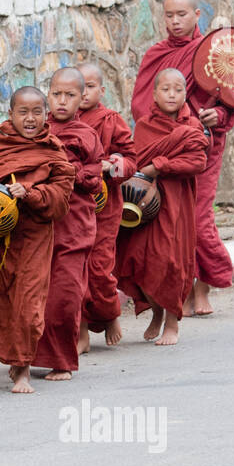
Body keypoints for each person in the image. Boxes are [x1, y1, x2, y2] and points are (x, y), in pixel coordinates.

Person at [131, 0, 233, 317]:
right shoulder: (156, 55)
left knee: (199, 219)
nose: (175, 22)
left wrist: (217, 116)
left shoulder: (213, 52)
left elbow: (233, 97)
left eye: (182, 15)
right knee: (172, 221)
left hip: (202, 144)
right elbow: (140, 102)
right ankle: (182, 290)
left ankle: (204, 286)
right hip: (162, 144)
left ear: (197, 15)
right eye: (169, 16)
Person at [0, 87, 74, 394]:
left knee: (28, 302)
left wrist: (32, 194)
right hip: (0, 238)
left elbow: (61, 200)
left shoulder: (53, 152)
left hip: (35, 237)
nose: (29, 119)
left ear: (46, 115)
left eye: (36, 112)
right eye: (22, 112)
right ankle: (15, 357)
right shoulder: (0, 146)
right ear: (10, 115)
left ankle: (23, 368)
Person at [115, 69, 209, 346]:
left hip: (177, 202)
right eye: (165, 89)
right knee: (138, 258)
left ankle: (171, 322)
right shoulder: (144, 125)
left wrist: (160, 166)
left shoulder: (191, 127)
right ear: (154, 94)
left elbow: (198, 162)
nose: (171, 95)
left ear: (184, 94)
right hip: (145, 203)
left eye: (178, 90)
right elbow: (136, 160)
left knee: (172, 261)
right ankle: (155, 310)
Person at [34, 68, 104, 381]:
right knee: (31, 294)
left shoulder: (87, 135)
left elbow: (93, 179)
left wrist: (63, 170)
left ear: (81, 99)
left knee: (64, 294)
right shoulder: (34, 130)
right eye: (56, 94)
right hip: (37, 224)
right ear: (47, 95)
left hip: (74, 225)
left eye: (70, 95)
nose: (62, 101)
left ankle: (62, 360)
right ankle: (25, 356)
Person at [76, 63, 137, 351]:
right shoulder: (58, 121)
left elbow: (130, 160)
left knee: (99, 268)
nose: (83, 92)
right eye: (79, 87)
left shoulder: (111, 120)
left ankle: (110, 313)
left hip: (105, 207)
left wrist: (109, 166)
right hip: (73, 208)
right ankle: (81, 331)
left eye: (90, 86)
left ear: (101, 90)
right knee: (73, 270)